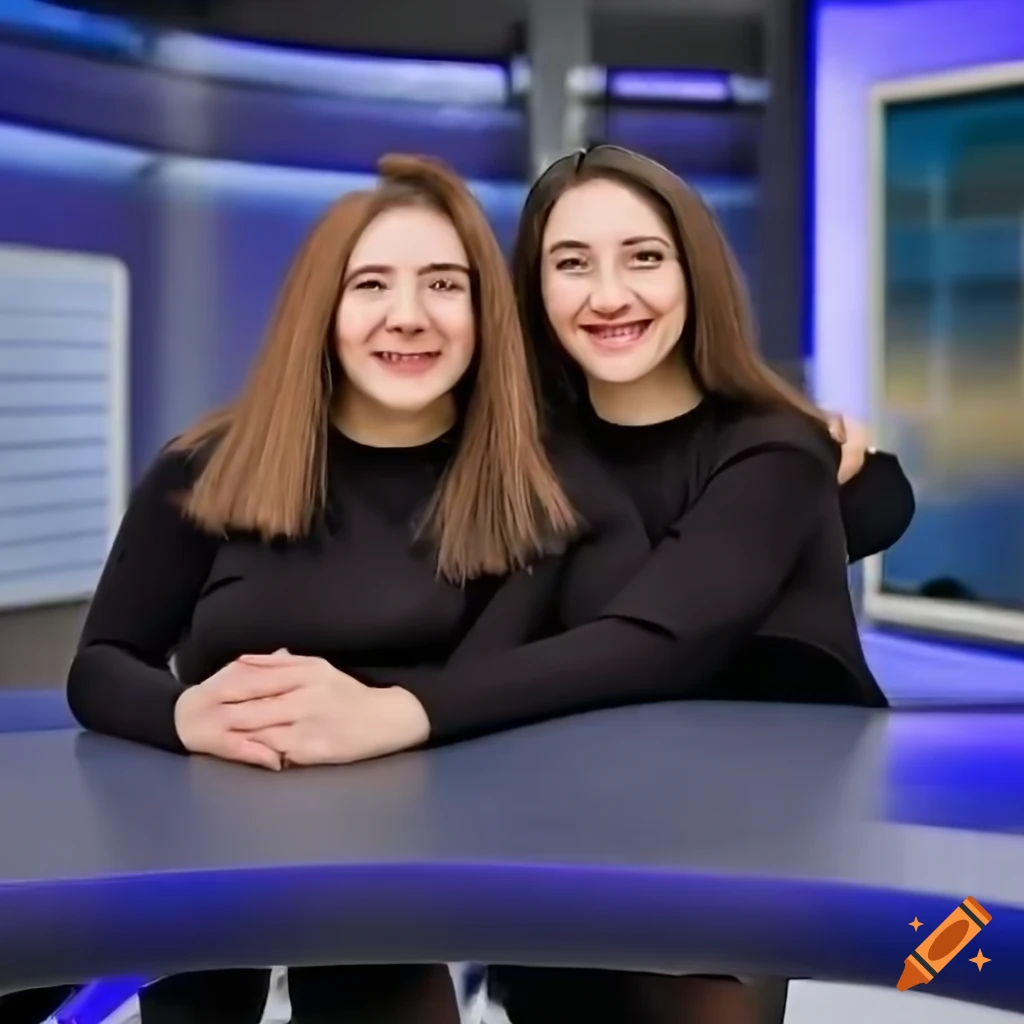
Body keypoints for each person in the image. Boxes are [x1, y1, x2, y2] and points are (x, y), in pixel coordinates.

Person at [222, 147, 913, 1024]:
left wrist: (398, 711)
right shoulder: (525, 458)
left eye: (644, 258)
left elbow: (665, 634)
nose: (610, 294)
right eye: (572, 263)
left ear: (693, 269)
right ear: (534, 291)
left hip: (740, 852)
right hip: (562, 826)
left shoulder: (771, 446)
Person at [61, 154, 654, 1024]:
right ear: (322, 309)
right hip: (207, 855)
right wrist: (184, 715)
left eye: (444, 284)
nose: (407, 316)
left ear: (485, 311)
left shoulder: (544, 483)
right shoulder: (206, 466)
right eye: (370, 283)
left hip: (401, 874)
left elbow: (626, 660)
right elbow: (100, 665)